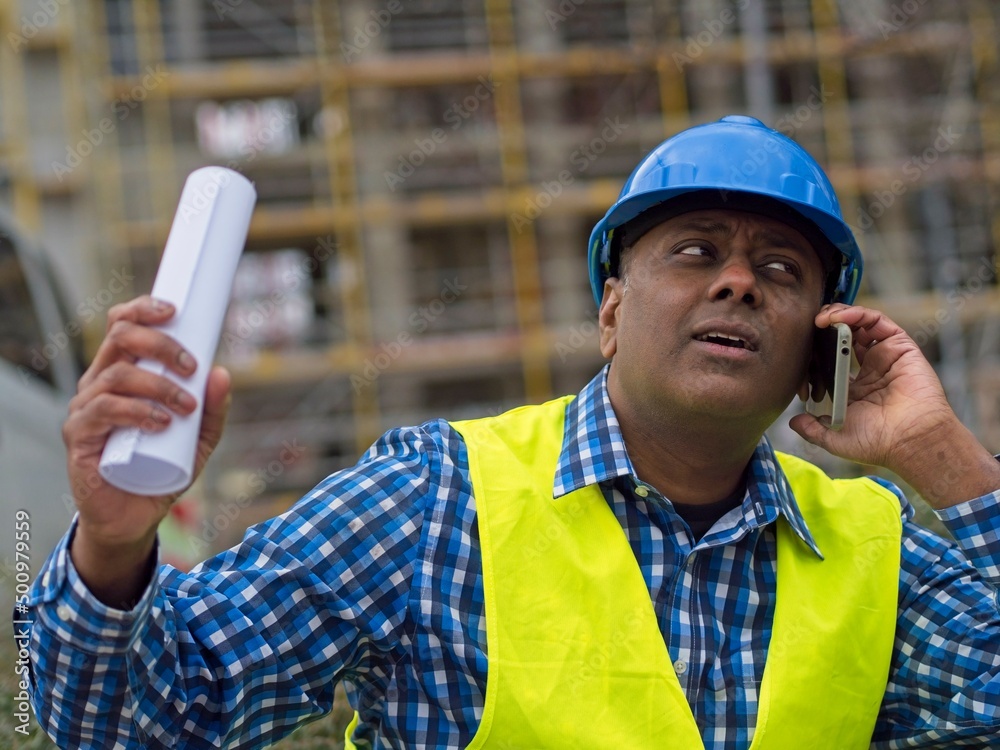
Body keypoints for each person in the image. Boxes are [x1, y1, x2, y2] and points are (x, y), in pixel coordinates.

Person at [18, 115, 1000, 749]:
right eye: (696, 252)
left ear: (820, 347)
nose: (738, 282)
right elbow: (144, 724)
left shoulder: (873, 548)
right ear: (610, 311)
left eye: (780, 270)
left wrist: (942, 455)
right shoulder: (432, 501)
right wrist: (113, 545)